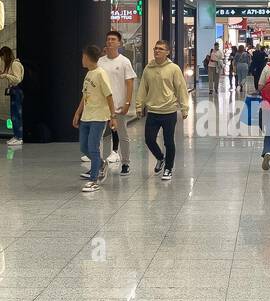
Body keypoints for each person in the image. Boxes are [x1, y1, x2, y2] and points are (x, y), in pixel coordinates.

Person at [136, 38, 190, 181]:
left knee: (169, 142)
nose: (157, 51)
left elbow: (181, 89)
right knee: (149, 139)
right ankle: (160, 158)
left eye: (160, 49)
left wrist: (184, 108)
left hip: (169, 111)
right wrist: (139, 105)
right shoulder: (149, 68)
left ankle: (168, 168)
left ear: (167, 52)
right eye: (155, 48)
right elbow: (142, 88)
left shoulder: (173, 68)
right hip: (153, 111)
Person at [72, 44, 116, 192]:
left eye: (83, 56)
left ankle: (94, 180)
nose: (81, 59)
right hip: (86, 116)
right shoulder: (89, 73)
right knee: (84, 147)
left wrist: (113, 116)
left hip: (98, 117)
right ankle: (101, 164)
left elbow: (109, 96)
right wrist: (78, 113)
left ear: (87, 57)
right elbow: (85, 96)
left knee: (93, 147)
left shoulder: (100, 74)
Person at [97, 30, 137, 176]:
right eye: (108, 39)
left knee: (122, 134)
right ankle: (98, 163)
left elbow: (130, 83)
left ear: (119, 43)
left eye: (113, 39)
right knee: (98, 135)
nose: (110, 42)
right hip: (102, 105)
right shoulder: (100, 62)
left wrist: (127, 102)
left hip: (118, 105)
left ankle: (126, 163)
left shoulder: (124, 61)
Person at [0, 46, 24, 147]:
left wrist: (6, 75)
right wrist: (4, 73)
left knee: (16, 115)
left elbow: (17, 79)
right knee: (14, 115)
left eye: (2, 57)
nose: (2, 59)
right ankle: (16, 136)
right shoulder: (12, 64)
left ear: (5, 55)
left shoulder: (15, 64)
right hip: (14, 91)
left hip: (17, 90)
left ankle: (19, 137)